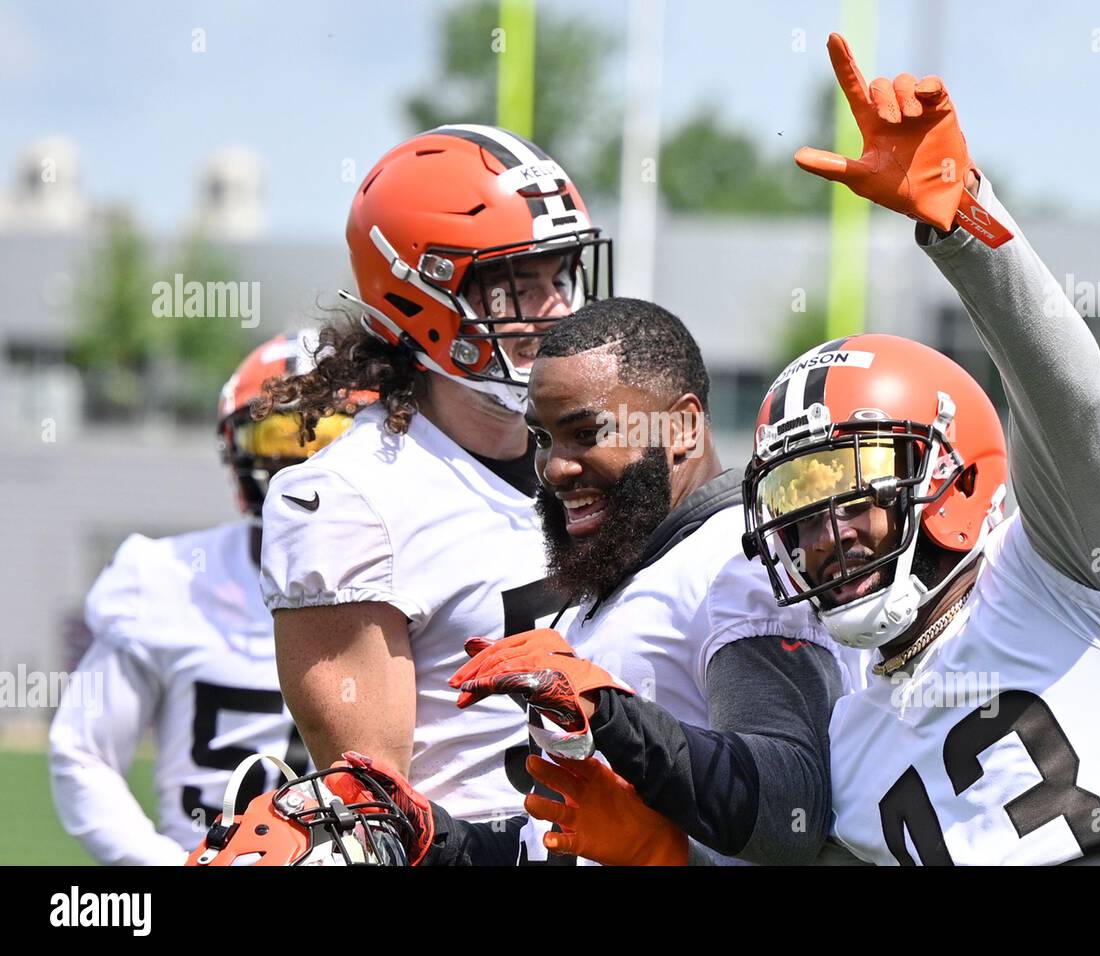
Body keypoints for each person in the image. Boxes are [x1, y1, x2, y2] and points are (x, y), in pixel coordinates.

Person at [739, 34, 1100, 864]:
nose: (827, 538)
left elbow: (1067, 393)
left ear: (951, 483)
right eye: (801, 515)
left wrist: (964, 221)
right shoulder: (846, 741)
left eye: (853, 496)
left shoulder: (1063, 572)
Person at [258, 125, 612, 826]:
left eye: (559, 275)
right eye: (518, 284)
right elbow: (381, 813)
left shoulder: (603, 453)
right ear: (419, 294)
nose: (558, 309)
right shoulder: (349, 499)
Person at [441, 297, 850, 866]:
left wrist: (608, 709)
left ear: (680, 426)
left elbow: (789, 810)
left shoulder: (737, 563)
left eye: (584, 431)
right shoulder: (629, 564)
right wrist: (437, 843)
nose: (555, 467)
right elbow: (579, 841)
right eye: (542, 438)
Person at [49, 330, 367, 865]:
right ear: (237, 448)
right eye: (278, 436)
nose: (303, 463)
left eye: (330, 436)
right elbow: (83, 754)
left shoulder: (426, 576)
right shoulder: (165, 579)